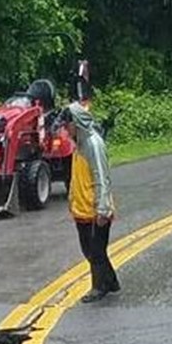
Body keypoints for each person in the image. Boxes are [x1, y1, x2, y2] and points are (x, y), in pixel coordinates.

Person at [47, 99, 120, 302]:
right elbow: (77, 176)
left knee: (95, 250)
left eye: (67, 126)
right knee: (90, 249)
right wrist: (72, 199)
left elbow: (101, 178)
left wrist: (103, 208)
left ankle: (98, 287)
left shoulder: (93, 144)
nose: (66, 131)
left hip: (95, 208)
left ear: (76, 123)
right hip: (83, 208)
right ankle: (111, 281)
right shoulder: (78, 144)